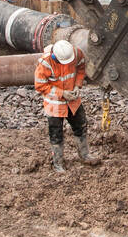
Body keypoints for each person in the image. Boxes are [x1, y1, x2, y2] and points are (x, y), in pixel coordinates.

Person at [33, 39, 100, 172]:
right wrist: (61, 93)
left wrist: (77, 85)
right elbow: (40, 85)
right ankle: (58, 163)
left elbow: (81, 67)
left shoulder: (75, 53)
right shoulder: (46, 62)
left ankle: (85, 155)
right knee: (56, 134)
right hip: (55, 104)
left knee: (80, 126)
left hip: (73, 101)